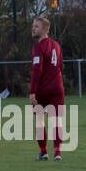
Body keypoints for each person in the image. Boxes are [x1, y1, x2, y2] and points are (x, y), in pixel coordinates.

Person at [29, 17, 65, 161]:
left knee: (39, 120)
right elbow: (61, 66)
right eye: (33, 26)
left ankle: (44, 152)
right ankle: (58, 153)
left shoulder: (39, 47)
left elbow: (37, 70)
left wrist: (32, 92)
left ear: (45, 29)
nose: (33, 28)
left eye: (36, 26)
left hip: (43, 89)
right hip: (57, 88)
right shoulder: (57, 45)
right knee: (57, 121)